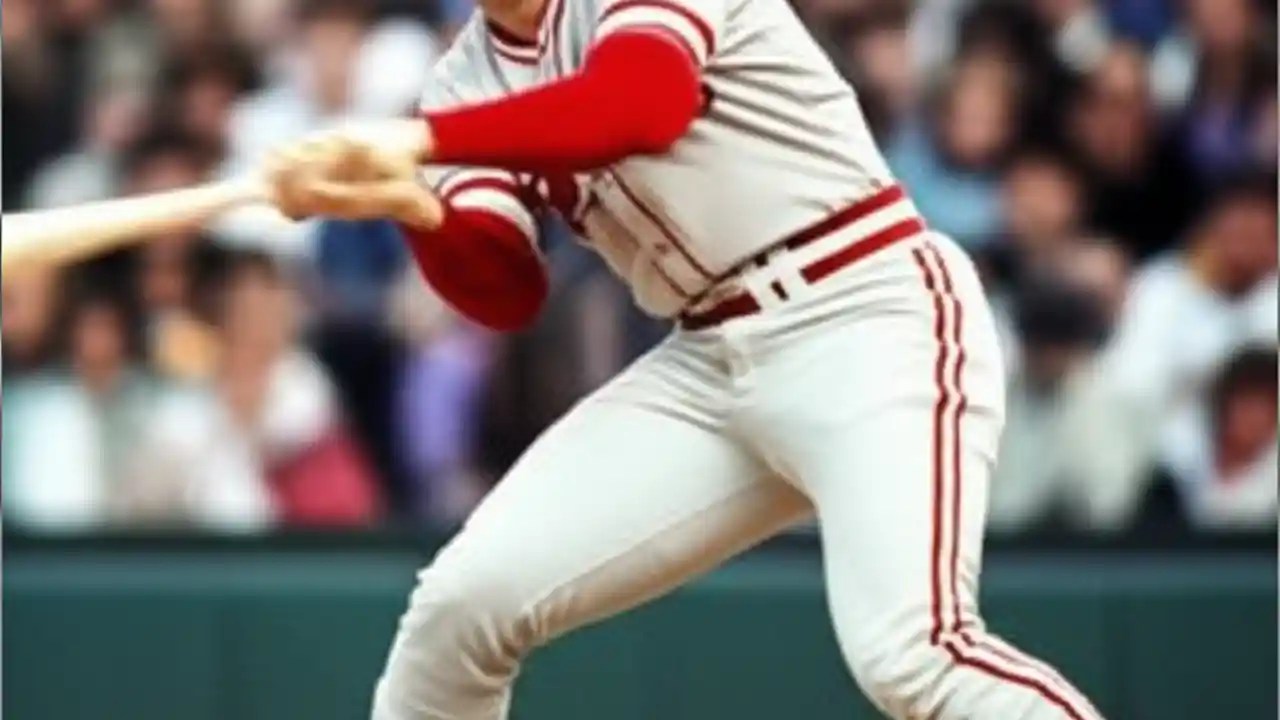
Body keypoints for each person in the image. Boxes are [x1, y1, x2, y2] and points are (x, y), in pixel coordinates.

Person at [264, 0, 1103, 718]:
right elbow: (508, 291)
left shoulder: (461, 103)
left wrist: (422, 142)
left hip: (867, 309)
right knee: (460, 606)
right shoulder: (466, 81)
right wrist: (412, 204)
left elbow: (641, 102)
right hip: (708, 359)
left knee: (913, 652)